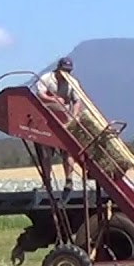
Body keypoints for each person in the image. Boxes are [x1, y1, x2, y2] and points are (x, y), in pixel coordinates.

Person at [34, 56, 81, 191]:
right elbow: (40, 94)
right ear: (58, 69)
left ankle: (69, 180)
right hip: (46, 119)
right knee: (45, 153)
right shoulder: (47, 78)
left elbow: (78, 100)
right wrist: (53, 99)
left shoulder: (72, 83)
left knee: (67, 150)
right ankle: (47, 182)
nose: (66, 74)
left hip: (64, 119)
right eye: (64, 70)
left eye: (68, 71)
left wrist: (75, 116)